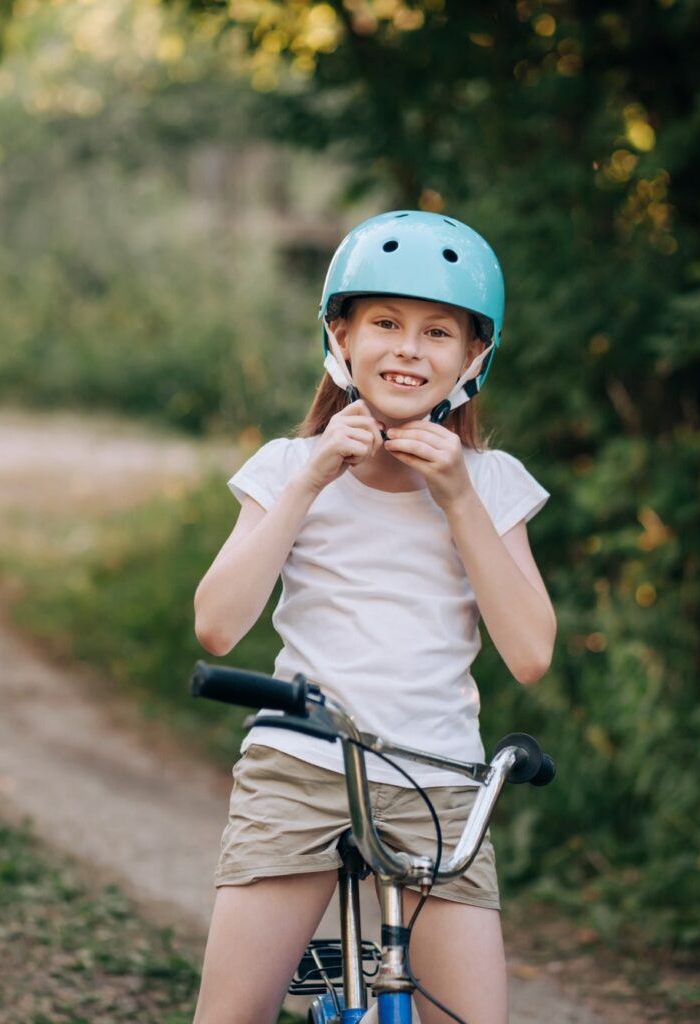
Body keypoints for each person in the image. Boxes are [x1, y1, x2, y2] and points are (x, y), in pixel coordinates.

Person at [192, 210, 557, 1024]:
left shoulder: (493, 482)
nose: (408, 349)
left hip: (440, 780)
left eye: (438, 332)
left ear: (473, 356)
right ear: (340, 335)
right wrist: (311, 479)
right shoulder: (288, 466)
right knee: (230, 1016)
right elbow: (216, 626)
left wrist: (458, 496)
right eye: (386, 323)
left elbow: (530, 654)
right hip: (303, 764)